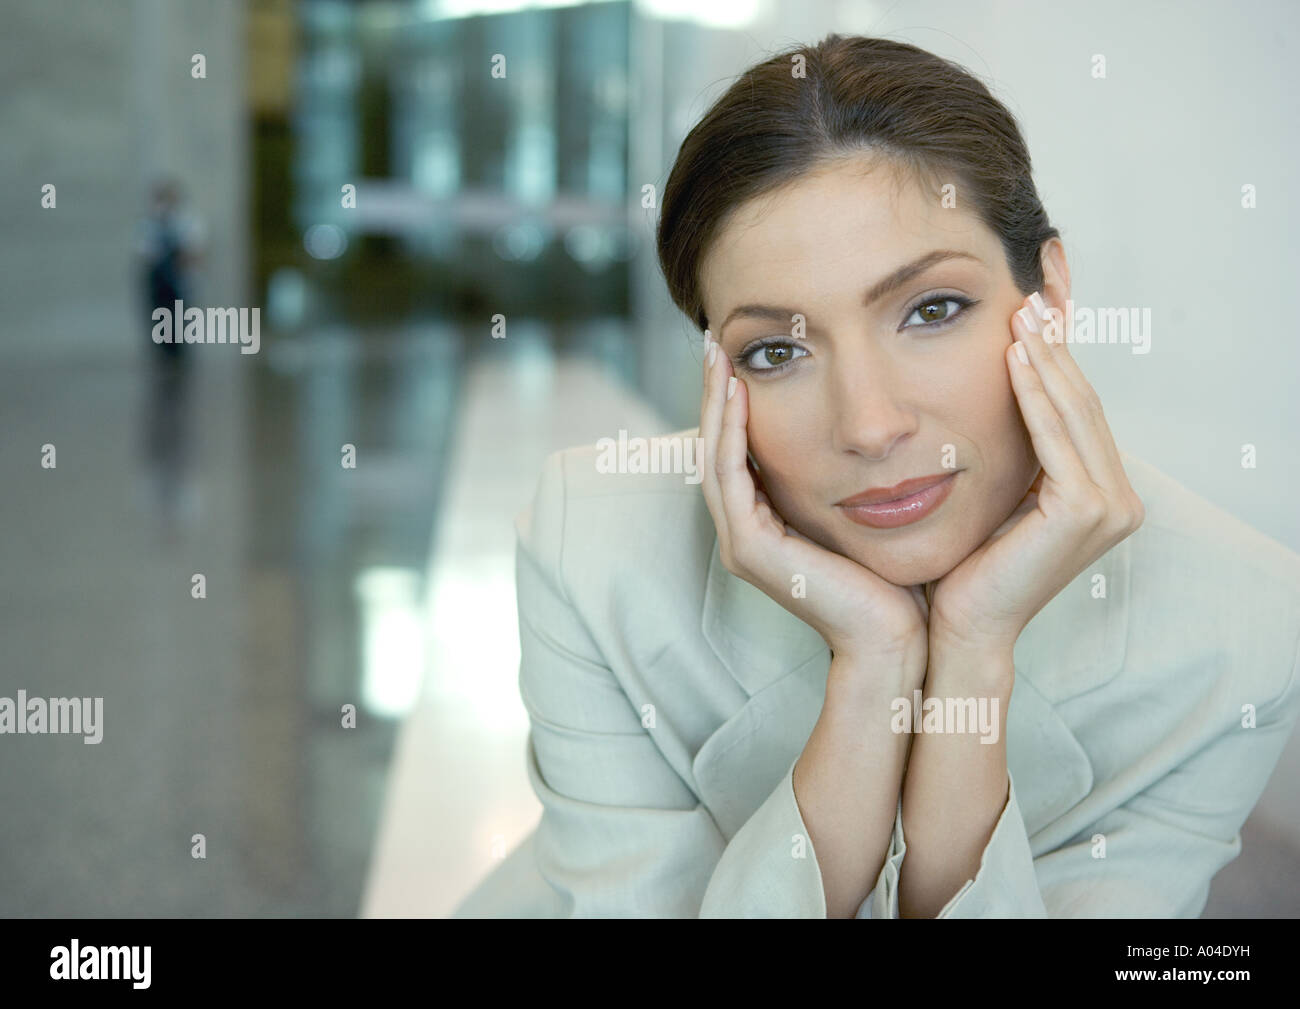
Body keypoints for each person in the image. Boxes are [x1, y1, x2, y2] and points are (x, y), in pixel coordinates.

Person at [452, 34, 1300, 917]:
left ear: (1047, 296)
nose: (868, 424)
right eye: (776, 350)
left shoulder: (1237, 630)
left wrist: (973, 649)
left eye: (932, 309)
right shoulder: (592, 550)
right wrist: (875, 660)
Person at [136, 179, 206, 522]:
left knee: (179, 333)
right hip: (160, 288)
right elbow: (144, 257)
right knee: (162, 333)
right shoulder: (150, 225)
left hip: (179, 288)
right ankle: (166, 364)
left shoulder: (187, 223)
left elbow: (195, 254)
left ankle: (178, 366)